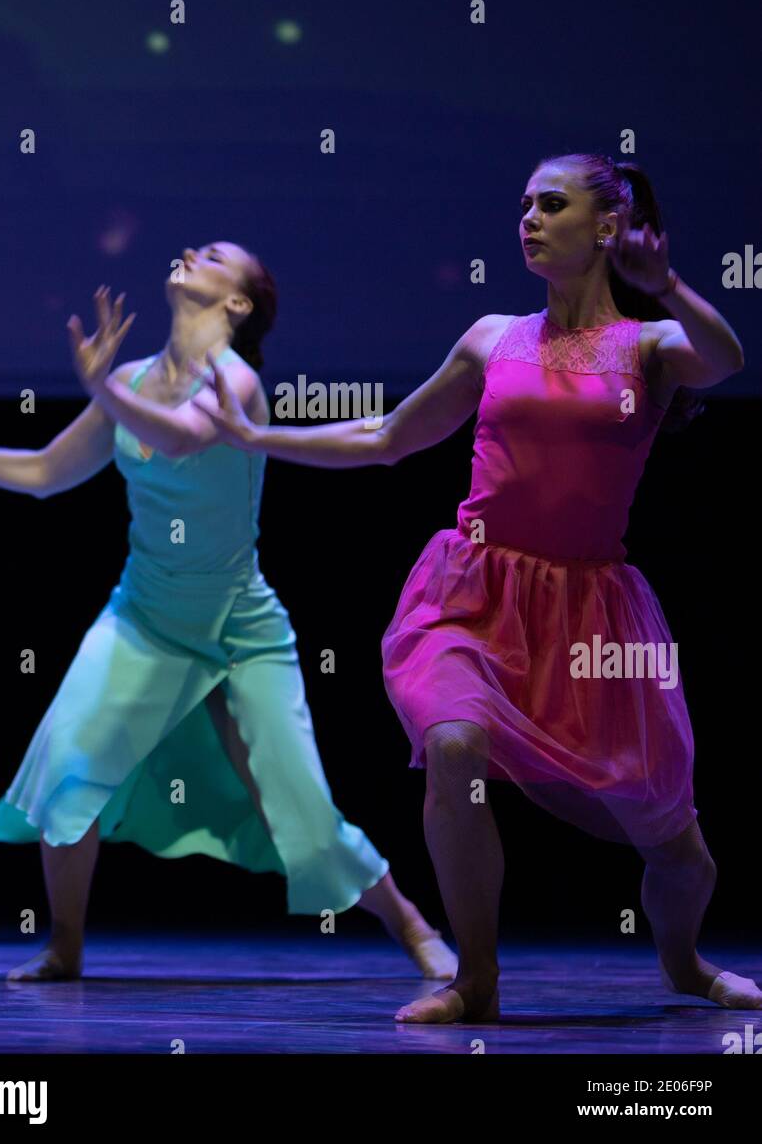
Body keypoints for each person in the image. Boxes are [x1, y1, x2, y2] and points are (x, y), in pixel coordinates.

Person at [193, 155, 762, 1024]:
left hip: (592, 620)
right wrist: (257, 438)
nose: (528, 218)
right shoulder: (492, 336)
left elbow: (725, 356)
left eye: (552, 204)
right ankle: (477, 980)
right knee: (454, 748)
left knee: (677, 845)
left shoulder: (650, 347)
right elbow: (387, 435)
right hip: (473, 595)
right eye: (524, 205)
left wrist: (670, 283)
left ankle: (683, 963)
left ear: (608, 228)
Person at [0, 241, 456, 983]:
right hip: (143, 617)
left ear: (239, 303)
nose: (191, 250)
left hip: (239, 628)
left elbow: (184, 438)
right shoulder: (128, 379)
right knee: (68, 776)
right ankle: (66, 943)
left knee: (300, 811)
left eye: (216, 255)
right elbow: (43, 474)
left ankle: (413, 925)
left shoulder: (237, 383)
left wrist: (103, 390)